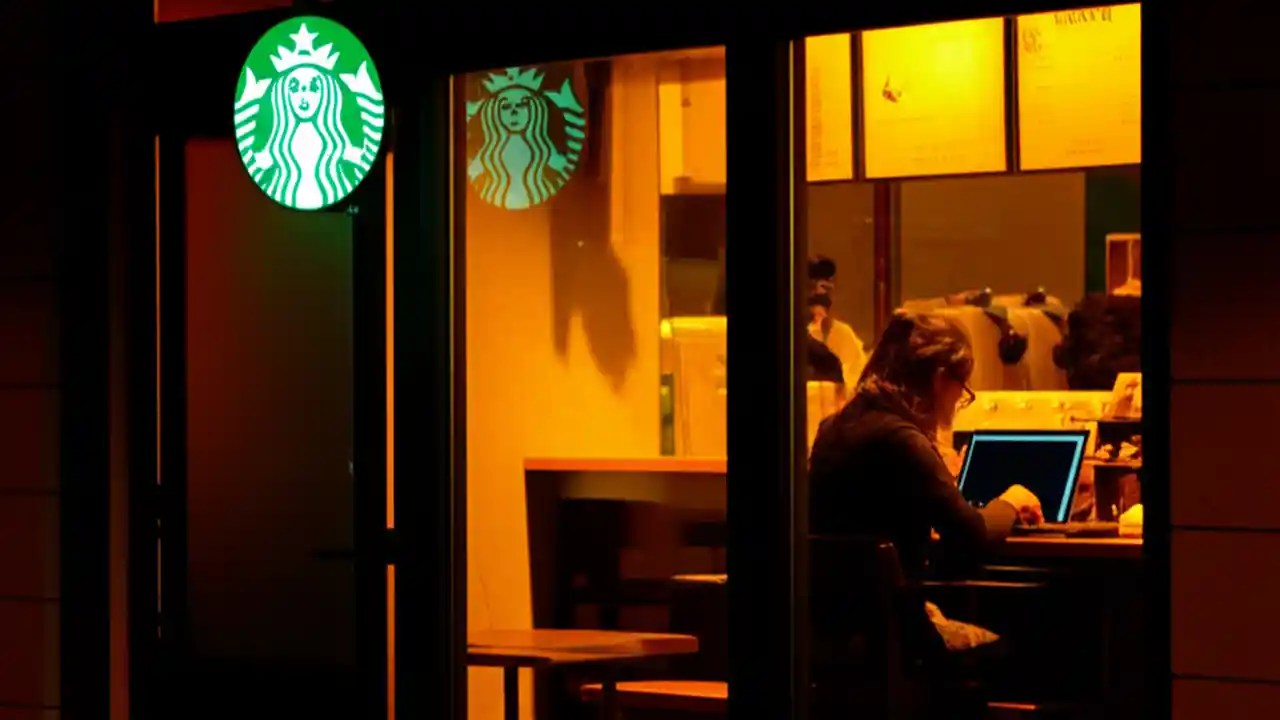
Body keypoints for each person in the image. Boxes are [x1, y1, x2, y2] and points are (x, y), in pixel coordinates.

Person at [809, 311, 1043, 654]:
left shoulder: (833, 428)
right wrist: (1010, 502)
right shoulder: (901, 437)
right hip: (898, 633)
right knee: (1036, 643)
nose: (958, 400)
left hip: (834, 628)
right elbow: (972, 535)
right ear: (939, 378)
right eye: (961, 387)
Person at [807, 256, 868, 391]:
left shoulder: (842, 334)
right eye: (812, 283)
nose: (821, 289)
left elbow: (856, 388)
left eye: (826, 282)